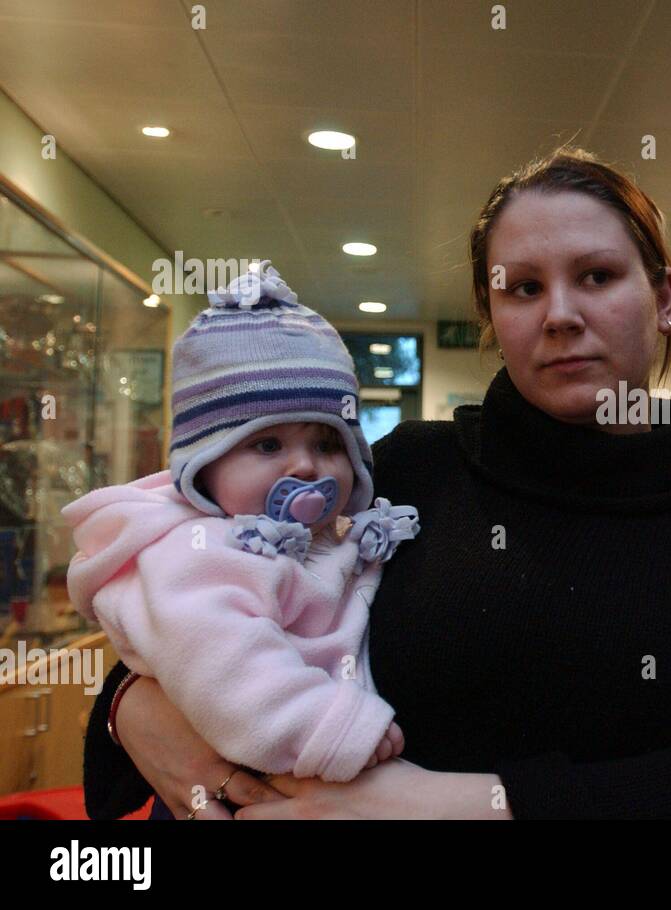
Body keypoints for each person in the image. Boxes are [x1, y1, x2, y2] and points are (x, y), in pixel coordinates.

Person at [82, 149, 671, 820]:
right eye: (524, 289)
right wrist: (128, 709)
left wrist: (465, 805)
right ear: (491, 315)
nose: (561, 316)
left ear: (665, 298)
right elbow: (199, 608)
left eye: (597, 277)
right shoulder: (407, 469)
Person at [65, 262, 418, 819]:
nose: (305, 465)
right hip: (246, 783)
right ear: (204, 467)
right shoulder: (197, 552)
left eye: (327, 443)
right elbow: (223, 662)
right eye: (268, 445)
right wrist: (331, 727)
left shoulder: (330, 540)